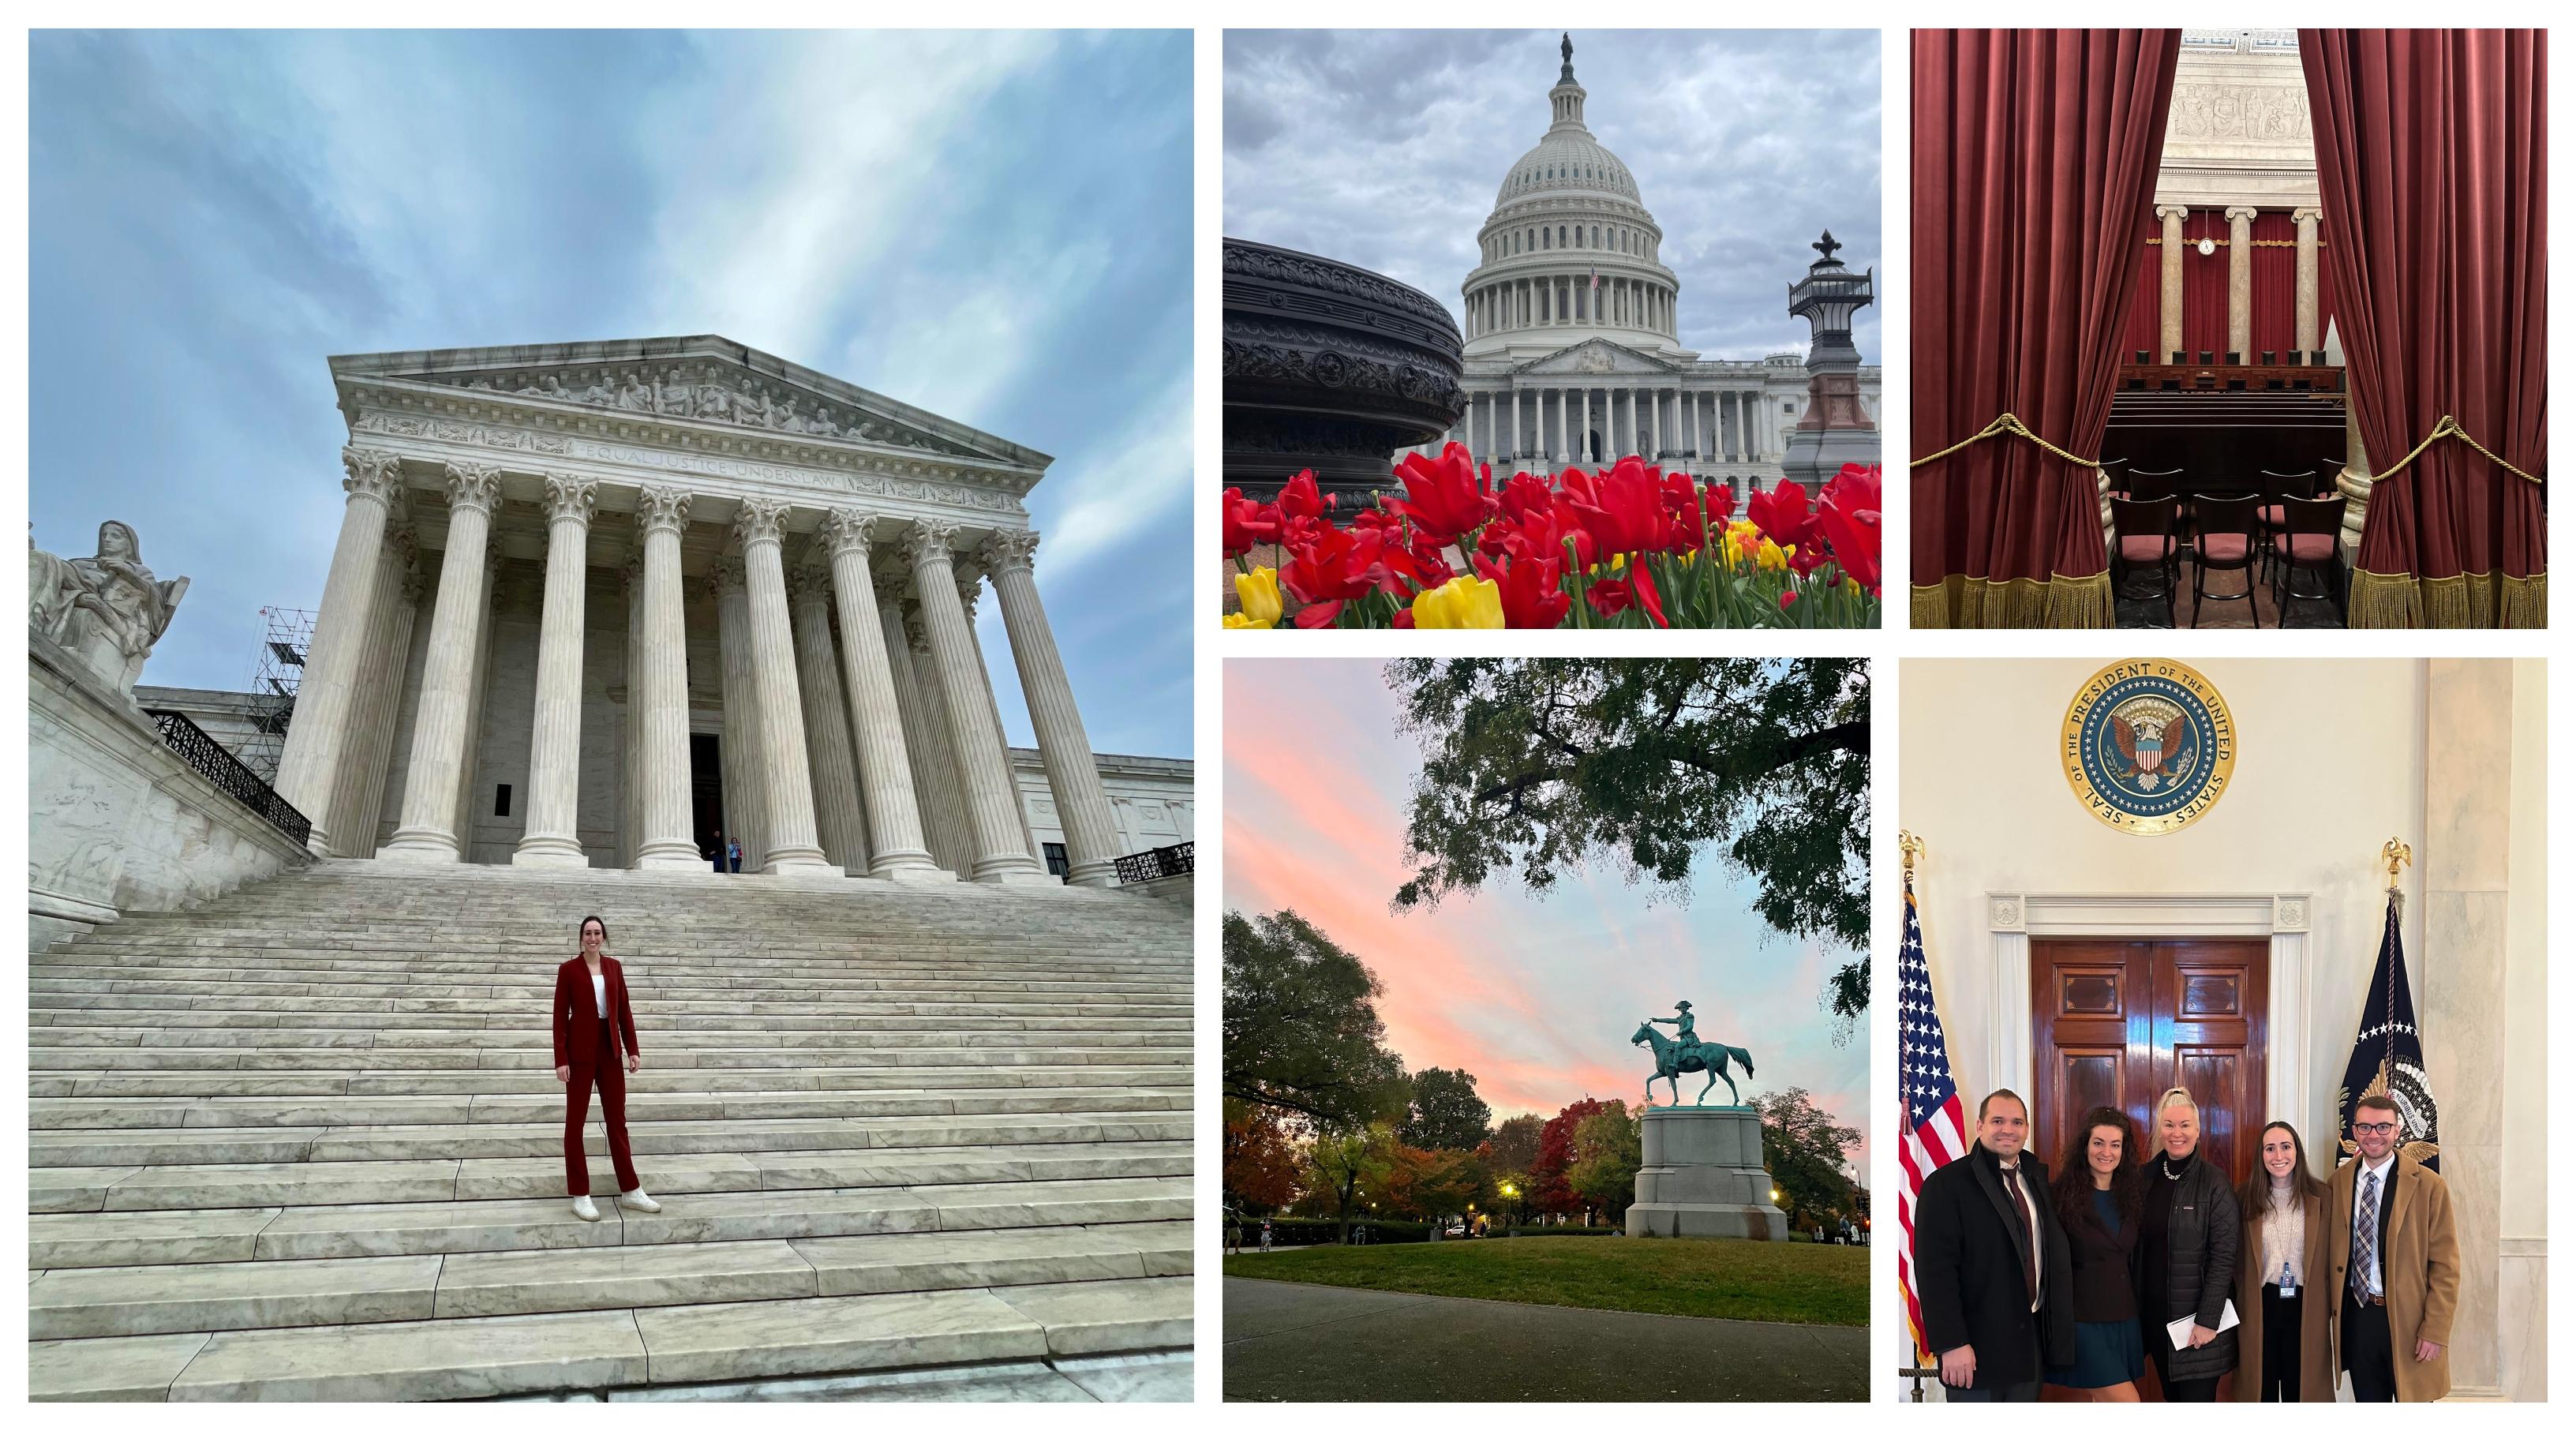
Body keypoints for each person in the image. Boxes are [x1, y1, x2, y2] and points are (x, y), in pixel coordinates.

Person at [1913, 1088, 2074, 1401]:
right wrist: (1952, 1343)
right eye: (1998, 1121)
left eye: (2017, 1122)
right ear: (1980, 1126)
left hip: (2029, 1343)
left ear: (2027, 1129)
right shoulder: (1946, 1185)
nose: (2008, 1130)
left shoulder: (2036, 1180)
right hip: (1974, 1349)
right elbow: (1935, 1271)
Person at [2323, 1093, 2459, 1401]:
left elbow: (2446, 1268)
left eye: (2383, 1127)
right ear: (2355, 1131)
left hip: (2410, 1321)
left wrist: (2435, 1330)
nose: (2374, 1135)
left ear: (2397, 1130)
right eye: (2365, 1127)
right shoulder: (2338, 1183)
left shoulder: (2430, 1186)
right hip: (2358, 1317)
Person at [552, 915, 659, 1223]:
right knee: (575, 1123)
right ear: (581, 938)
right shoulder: (569, 970)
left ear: (604, 937)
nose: (593, 938)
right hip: (580, 1053)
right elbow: (559, 1016)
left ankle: (631, 1190)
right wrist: (561, 1059)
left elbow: (624, 1009)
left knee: (617, 1121)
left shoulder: (614, 967)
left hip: (610, 1050)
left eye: (597, 933)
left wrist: (632, 1049)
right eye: (588, 933)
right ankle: (580, 1194)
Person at [2139, 1088, 2239, 1400]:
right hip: (2156, 1322)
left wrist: (2207, 1321)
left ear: (2198, 1130)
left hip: (2198, 1327)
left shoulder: (2215, 1183)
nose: (2177, 1133)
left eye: (2185, 1125)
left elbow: (2224, 1257)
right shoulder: (2144, 1179)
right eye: (2169, 1125)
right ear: (2160, 1130)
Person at [2043, 1106, 2146, 1400]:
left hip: (2123, 1314)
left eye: (2115, 1145)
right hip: (2081, 1319)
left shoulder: (2132, 1194)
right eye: (2098, 1143)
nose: (2107, 1152)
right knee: (2129, 1403)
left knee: (2103, 1402)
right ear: (2085, 1146)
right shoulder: (2060, 1196)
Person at [2235, 1119, 2331, 1400]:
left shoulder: (2323, 1196)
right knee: (2260, 1390)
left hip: (2305, 1306)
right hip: (2260, 1305)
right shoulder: (2243, 1197)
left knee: (2299, 1391)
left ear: (2297, 1151)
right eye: (2270, 1149)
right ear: (2261, 1155)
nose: (2278, 1156)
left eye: (2286, 1147)